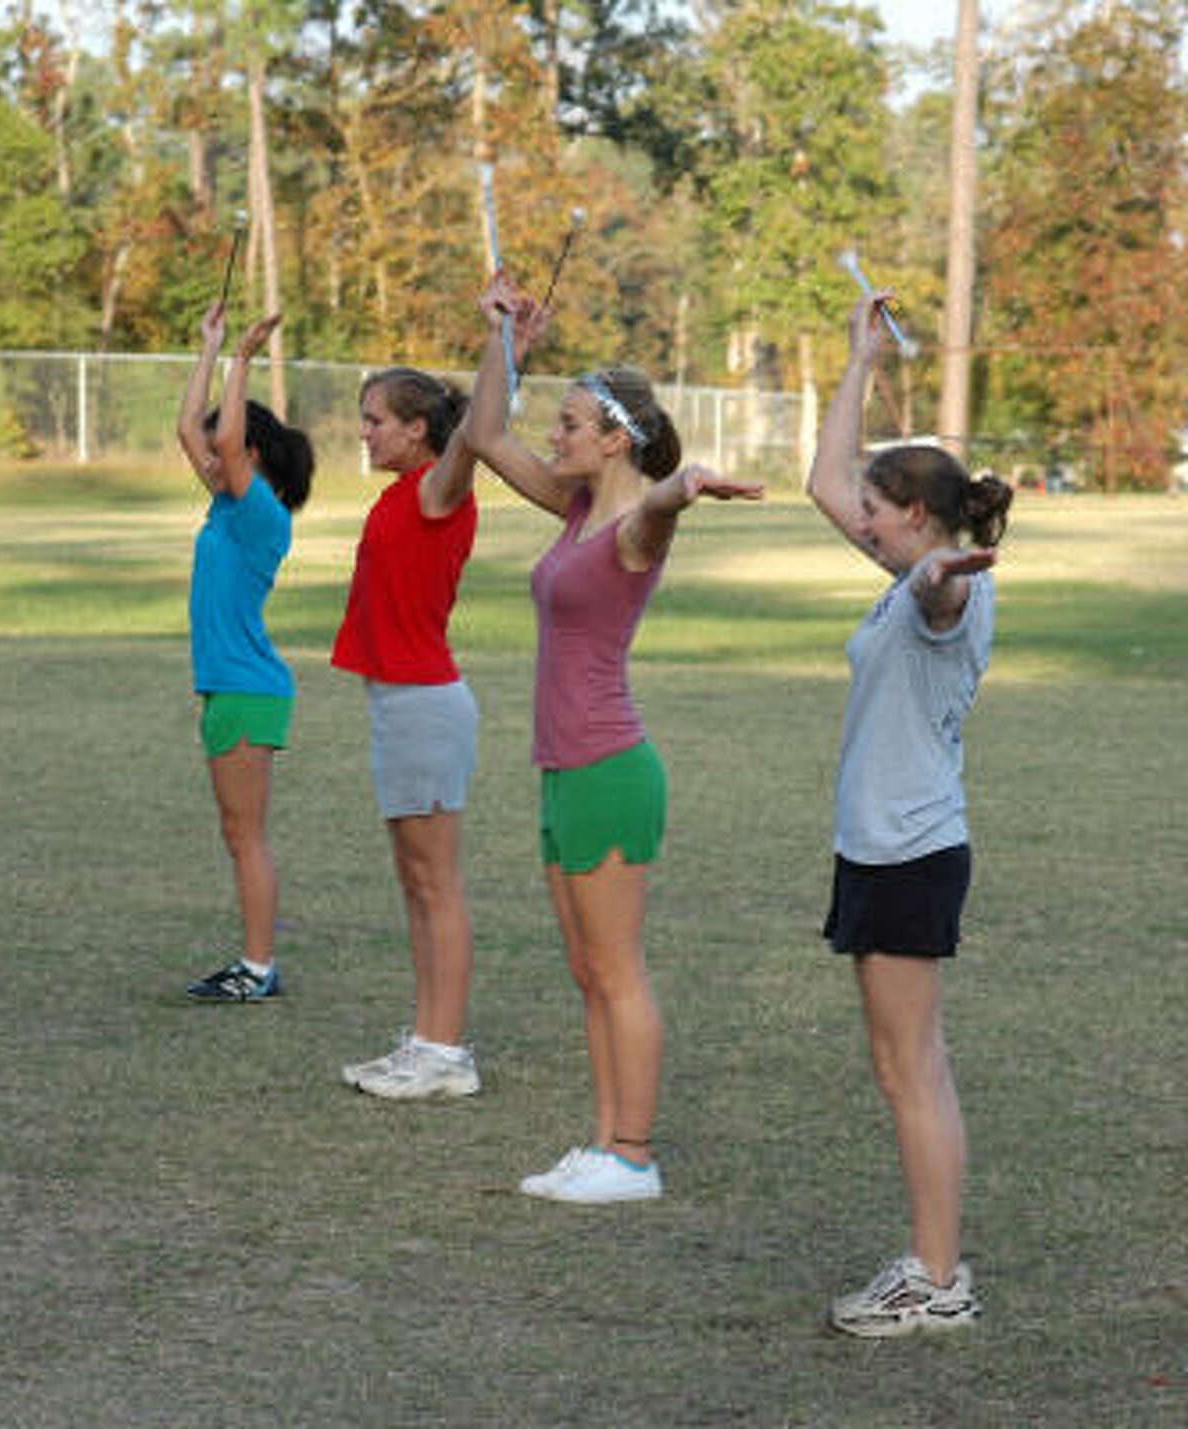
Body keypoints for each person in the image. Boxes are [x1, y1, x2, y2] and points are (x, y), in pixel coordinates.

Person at [464, 273, 764, 1204]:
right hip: (565, 767)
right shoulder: (576, 507)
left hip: (608, 767)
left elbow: (663, 505)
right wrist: (506, 341)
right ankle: (601, 1144)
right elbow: (482, 436)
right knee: (586, 968)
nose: (554, 436)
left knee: (617, 970)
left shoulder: (634, 525)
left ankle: (633, 1153)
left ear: (614, 438)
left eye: (569, 424)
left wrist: (683, 484)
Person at [806, 292, 1013, 1336]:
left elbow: (944, 593)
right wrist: (859, 359)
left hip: (909, 851)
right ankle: (934, 1271)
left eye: (879, 510)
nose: (863, 517)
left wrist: (938, 575)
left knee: (911, 1069)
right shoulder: (902, 571)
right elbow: (822, 480)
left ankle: (935, 1278)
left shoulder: (940, 590)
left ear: (920, 518)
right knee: (906, 1065)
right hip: (884, 847)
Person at [332, 367, 482, 1101]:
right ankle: (426, 1040)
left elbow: (477, 431)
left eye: (375, 419)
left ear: (417, 429)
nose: (364, 432)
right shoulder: (399, 494)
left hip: (425, 705)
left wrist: (505, 344)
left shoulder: (438, 489)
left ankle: (446, 1053)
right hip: (399, 703)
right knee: (415, 882)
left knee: (436, 884)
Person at [177, 301, 314, 1001]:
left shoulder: (259, 509)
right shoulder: (227, 506)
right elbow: (189, 430)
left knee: (245, 835)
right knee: (238, 833)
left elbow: (224, 442)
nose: (207, 456)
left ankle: (258, 967)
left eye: (223, 450)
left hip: (247, 687)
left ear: (250, 454)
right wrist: (210, 343)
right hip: (230, 688)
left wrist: (242, 358)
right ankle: (256, 962)